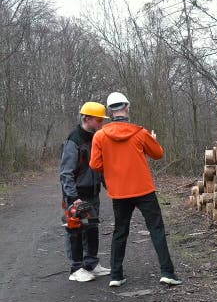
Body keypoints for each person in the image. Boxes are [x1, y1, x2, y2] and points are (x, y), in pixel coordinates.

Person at [89, 92, 182, 287]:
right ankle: (167, 273)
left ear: (109, 112)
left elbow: (95, 165)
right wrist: (153, 140)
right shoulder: (140, 133)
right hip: (143, 190)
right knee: (156, 229)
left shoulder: (100, 136)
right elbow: (158, 154)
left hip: (119, 192)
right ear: (127, 108)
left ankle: (116, 275)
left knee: (120, 231)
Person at [59, 102, 112, 282]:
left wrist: (108, 185)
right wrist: (72, 198)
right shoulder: (73, 140)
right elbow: (66, 173)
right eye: (99, 120)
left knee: (92, 228)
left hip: (93, 192)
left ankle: (91, 264)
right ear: (87, 118)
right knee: (75, 229)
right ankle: (76, 268)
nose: (101, 124)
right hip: (77, 195)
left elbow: (100, 166)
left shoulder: (96, 138)